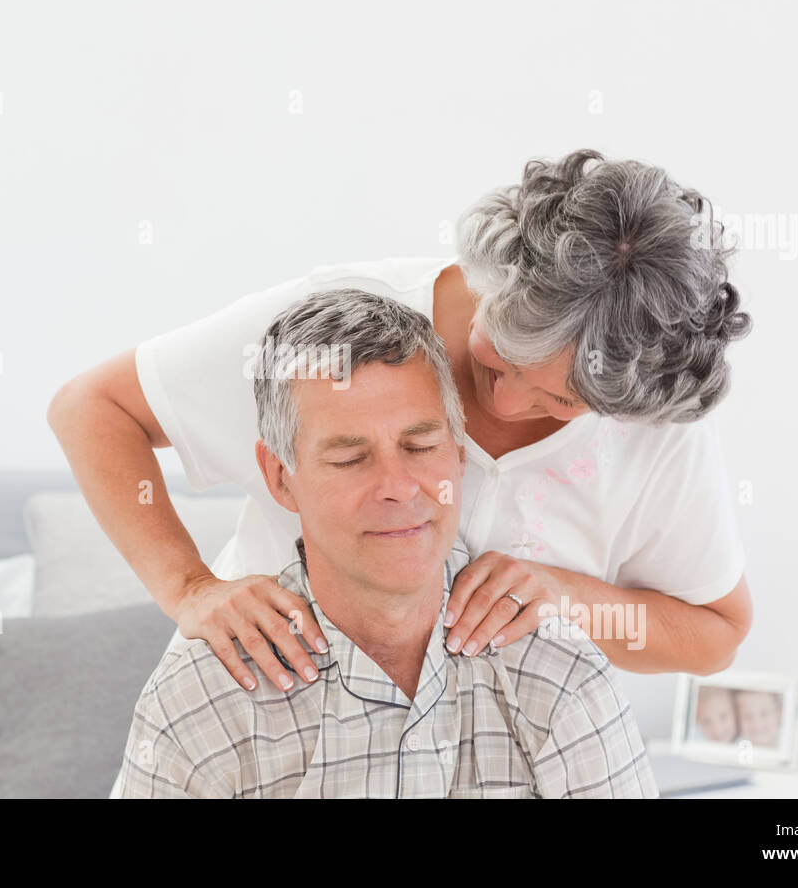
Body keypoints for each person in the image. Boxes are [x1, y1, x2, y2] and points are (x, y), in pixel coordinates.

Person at [48, 148, 754, 702]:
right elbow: (91, 407)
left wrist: (566, 599)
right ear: (491, 280)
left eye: (560, 402)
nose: (506, 408)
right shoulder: (333, 331)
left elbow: (715, 635)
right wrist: (190, 589)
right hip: (264, 723)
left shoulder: (649, 414)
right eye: (501, 358)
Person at [120, 289, 658, 797]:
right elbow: (90, 407)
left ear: (459, 452)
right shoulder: (201, 701)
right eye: (350, 459)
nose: (398, 489)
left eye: (421, 446)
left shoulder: (561, 675)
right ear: (281, 476)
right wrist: (189, 587)